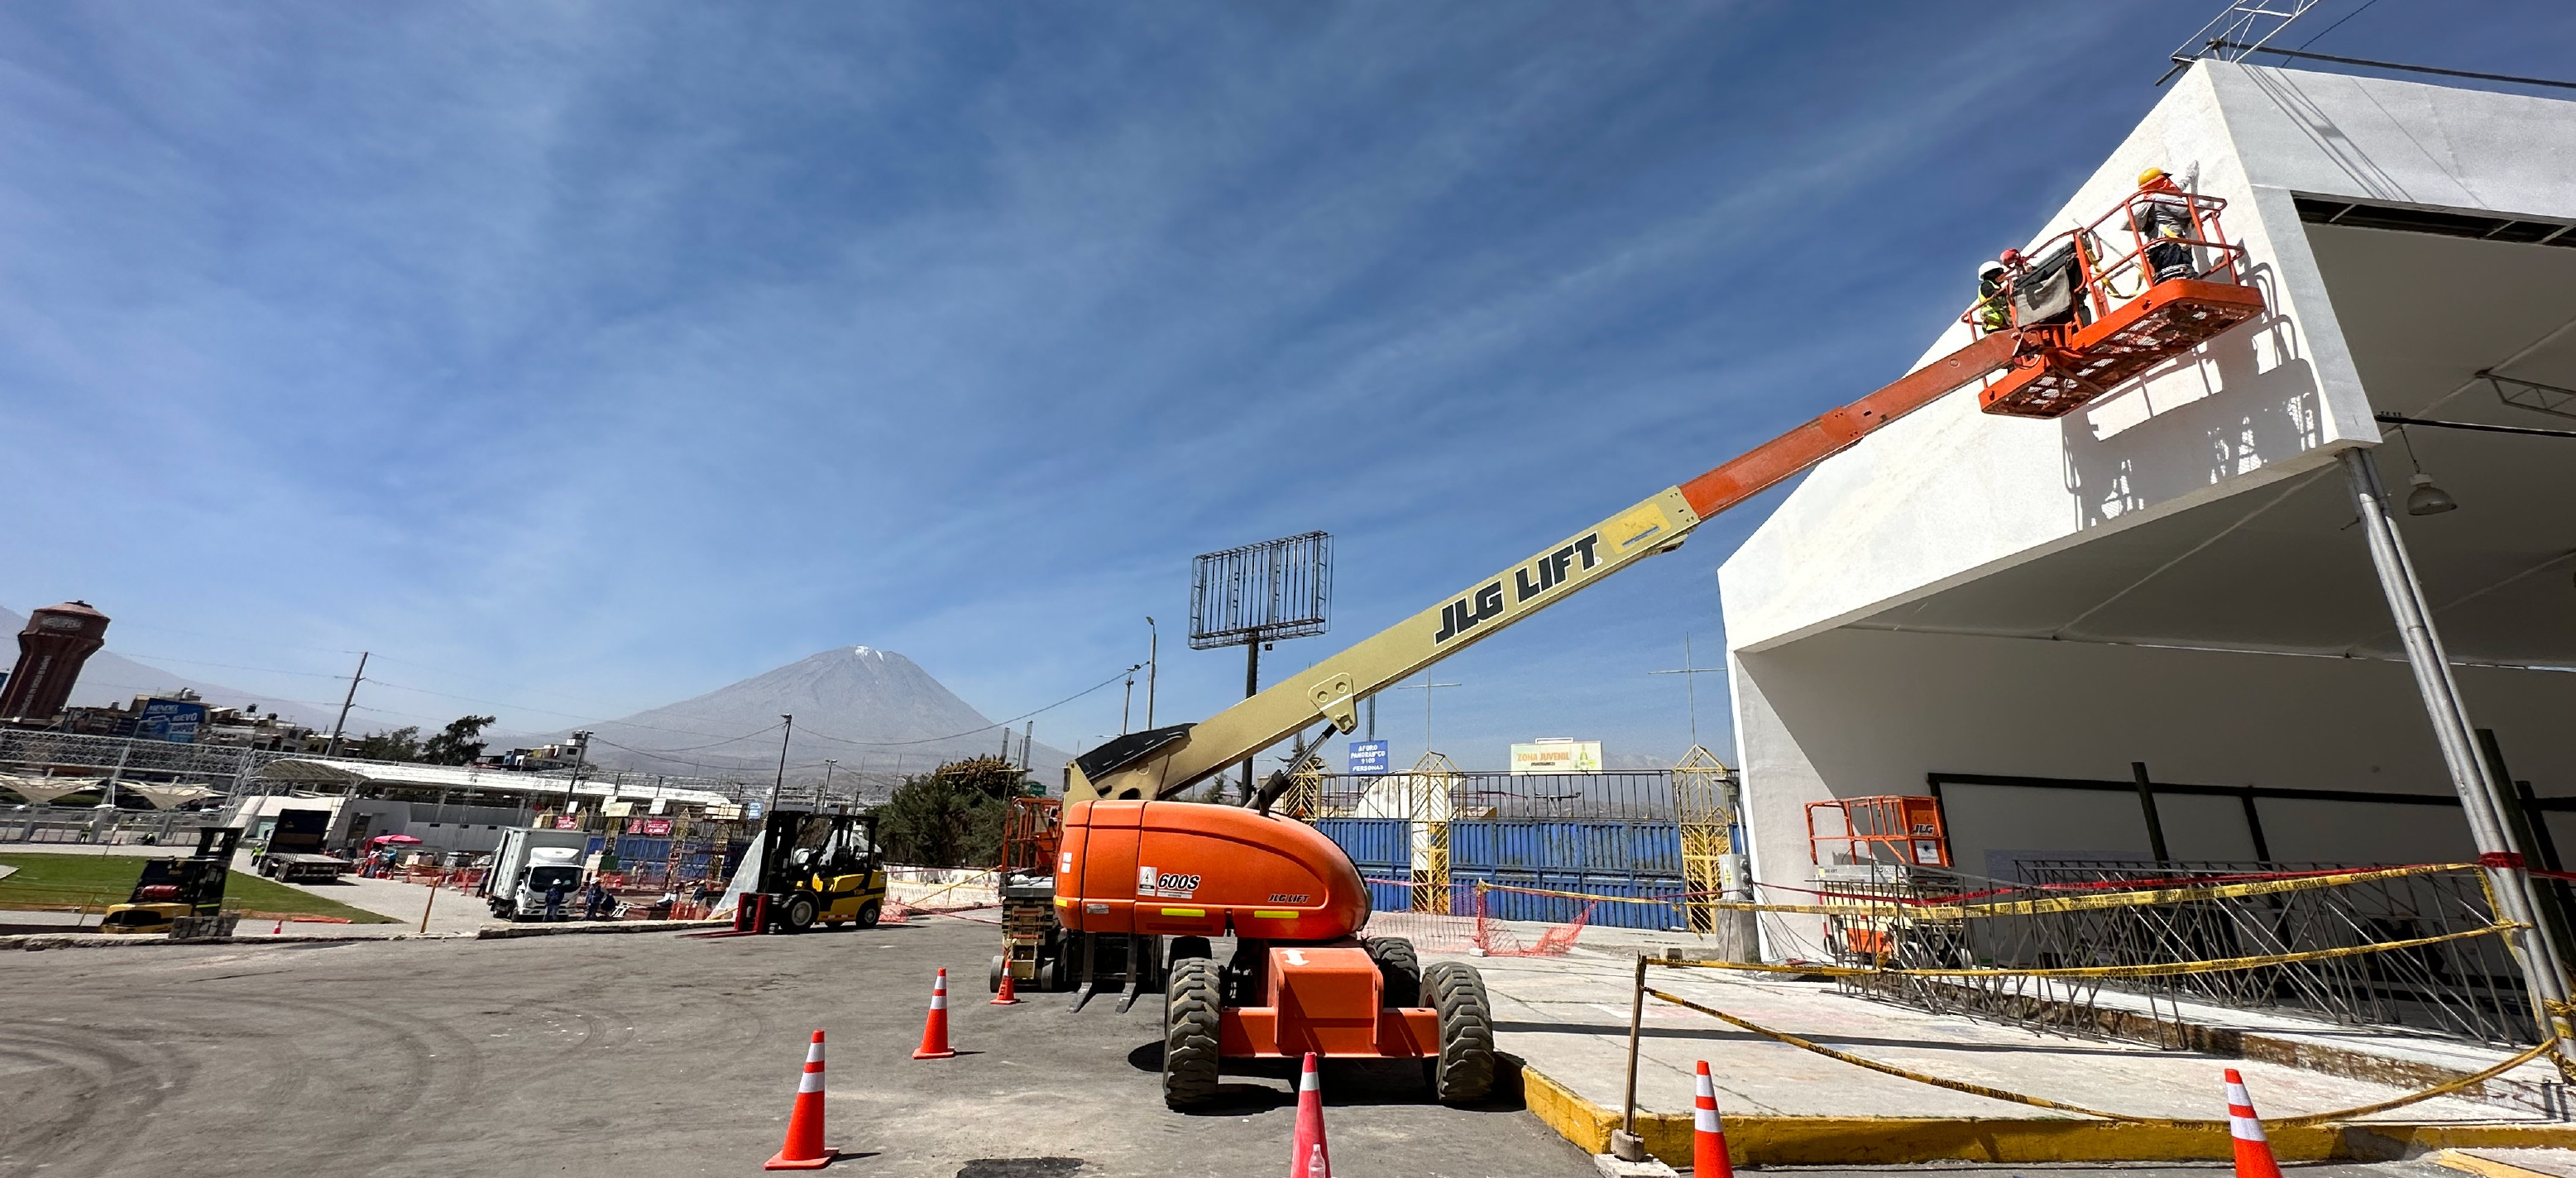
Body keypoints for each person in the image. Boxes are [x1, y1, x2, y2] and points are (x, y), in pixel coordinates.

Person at [2134, 167, 2197, 284]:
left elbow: (2175, 190)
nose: (2168, 181)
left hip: (2156, 251)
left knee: (2166, 280)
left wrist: (2188, 178)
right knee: (2181, 278)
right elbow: (2185, 211)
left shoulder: (2149, 202)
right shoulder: (2161, 197)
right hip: (2171, 247)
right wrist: (2205, 205)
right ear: (2159, 182)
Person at [1973, 260, 2012, 331]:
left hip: (2002, 323)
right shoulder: (1986, 285)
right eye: (1999, 272)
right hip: (1994, 325)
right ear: (1991, 274)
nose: (2002, 274)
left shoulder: (1996, 286)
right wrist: (1998, 292)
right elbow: (1989, 292)